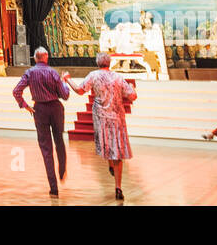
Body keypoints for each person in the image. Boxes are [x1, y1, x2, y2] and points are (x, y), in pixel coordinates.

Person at [67, 53, 137, 200]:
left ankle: (110, 164)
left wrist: (68, 79)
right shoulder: (118, 77)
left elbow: (80, 90)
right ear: (109, 63)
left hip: (101, 116)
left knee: (106, 143)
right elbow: (132, 96)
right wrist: (131, 87)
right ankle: (118, 187)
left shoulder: (93, 75)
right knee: (117, 149)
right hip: (117, 116)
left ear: (97, 63)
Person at [12, 47, 71, 197]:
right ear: (46, 57)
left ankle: (53, 187)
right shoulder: (53, 72)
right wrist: (64, 81)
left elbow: (16, 91)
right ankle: (62, 169)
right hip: (55, 108)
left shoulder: (30, 73)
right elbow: (64, 95)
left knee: (46, 149)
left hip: (40, 110)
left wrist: (25, 106)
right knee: (59, 140)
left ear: (35, 58)